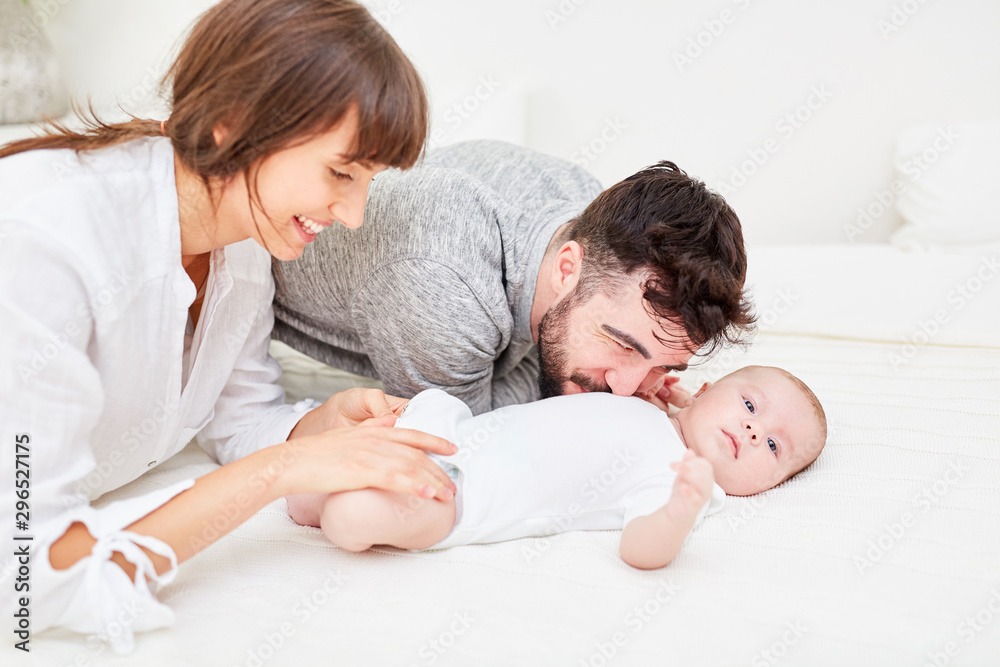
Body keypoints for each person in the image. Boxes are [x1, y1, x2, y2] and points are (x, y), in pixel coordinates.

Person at [0, 0, 458, 653]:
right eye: (340, 172)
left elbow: (235, 420)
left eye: (368, 182)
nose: (354, 215)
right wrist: (283, 467)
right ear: (229, 125)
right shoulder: (47, 243)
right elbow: (28, 575)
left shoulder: (242, 234)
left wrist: (321, 429)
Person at [272, 140, 756, 415]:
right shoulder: (443, 291)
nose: (628, 389)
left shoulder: (585, 201)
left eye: (663, 368)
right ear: (568, 267)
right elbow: (468, 440)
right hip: (240, 271)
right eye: (623, 345)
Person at [287, 365, 827, 570]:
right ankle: (308, 492)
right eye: (750, 406)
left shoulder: (680, 477)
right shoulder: (652, 406)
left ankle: (333, 505)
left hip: (461, 496)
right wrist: (661, 394)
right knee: (394, 412)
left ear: (769, 486)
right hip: (456, 434)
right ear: (704, 390)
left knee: (349, 517)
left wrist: (680, 510)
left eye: (774, 449)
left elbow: (641, 547)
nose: (754, 432)